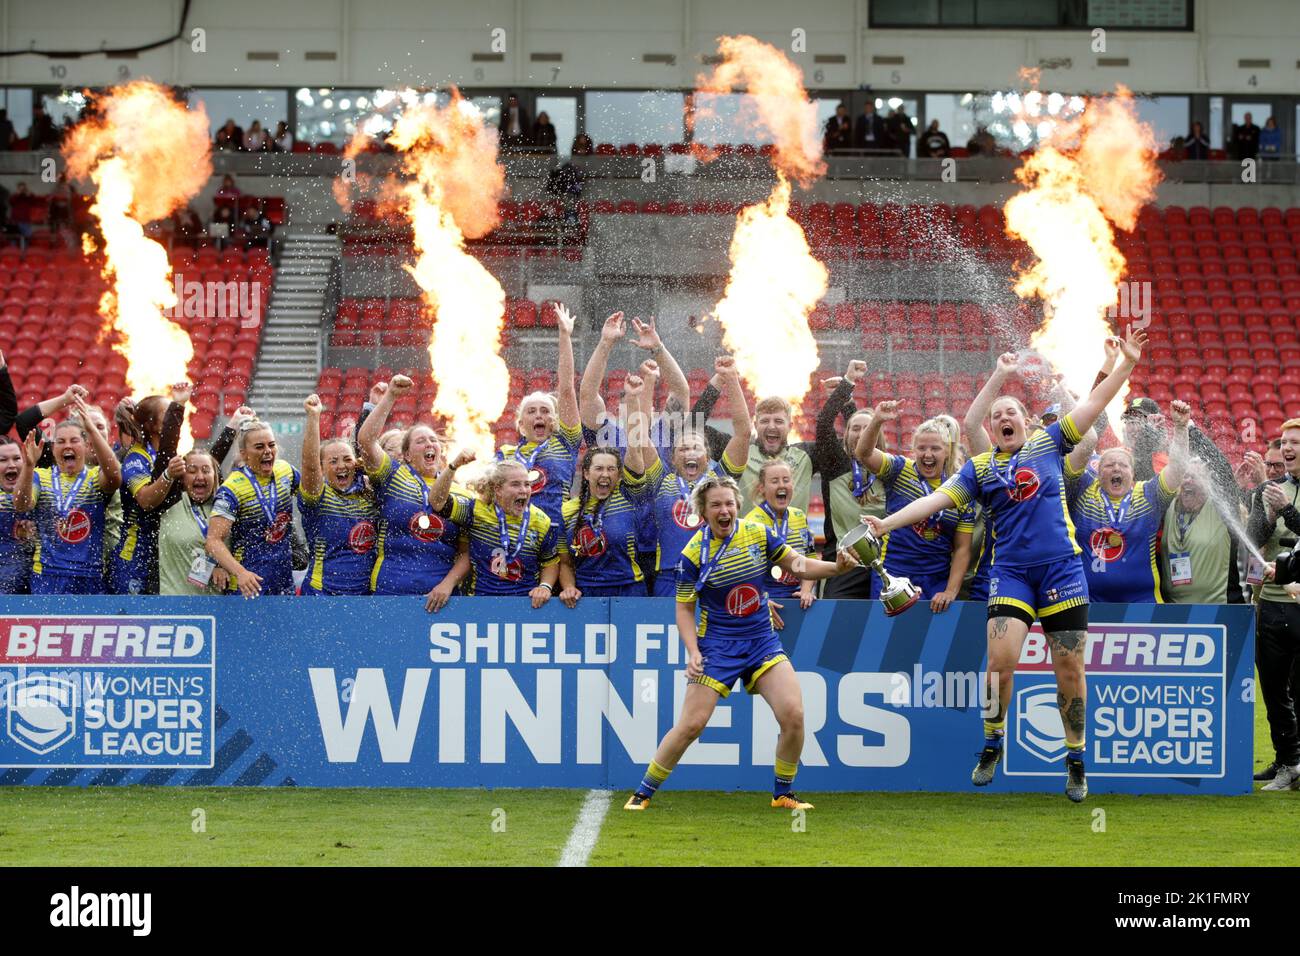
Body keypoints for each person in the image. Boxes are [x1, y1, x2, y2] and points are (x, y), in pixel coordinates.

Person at [866, 327, 1146, 802]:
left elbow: (1094, 406)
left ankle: (1075, 757)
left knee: (1070, 669)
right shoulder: (977, 469)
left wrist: (1126, 364)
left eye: (1011, 412)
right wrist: (885, 525)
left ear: (1028, 421)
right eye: (997, 417)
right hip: (1011, 573)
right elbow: (934, 501)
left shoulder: (1048, 446)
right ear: (991, 429)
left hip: (1062, 570)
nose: (1002, 418)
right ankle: (992, 741)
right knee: (999, 664)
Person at [624, 473, 860, 812]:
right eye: (716, 505)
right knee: (691, 725)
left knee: (793, 714)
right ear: (703, 512)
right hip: (718, 647)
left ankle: (783, 793)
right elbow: (684, 609)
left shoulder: (758, 534)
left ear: (738, 506)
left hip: (761, 641)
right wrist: (693, 652)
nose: (724, 510)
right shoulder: (693, 555)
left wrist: (836, 568)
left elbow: (797, 563)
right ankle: (643, 792)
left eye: (730, 504)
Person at [631, 356, 750, 597]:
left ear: (707, 456)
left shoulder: (719, 478)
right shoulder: (661, 479)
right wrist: (648, 383)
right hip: (669, 578)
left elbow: (744, 433)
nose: (690, 452)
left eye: (696, 447)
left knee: (713, 635)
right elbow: (640, 437)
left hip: (714, 574)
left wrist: (731, 379)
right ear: (673, 459)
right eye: (683, 449)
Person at [357, 375, 470, 597]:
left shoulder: (460, 492)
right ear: (407, 454)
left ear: (440, 450)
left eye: (433, 440)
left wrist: (447, 586)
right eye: (420, 441)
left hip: (440, 595)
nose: (429, 443)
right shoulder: (394, 476)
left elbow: (466, 552)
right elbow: (366, 442)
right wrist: (390, 396)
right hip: (389, 588)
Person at [690, 365, 854, 515]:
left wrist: (845, 401)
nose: (772, 426)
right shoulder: (738, 451)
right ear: (755, 425)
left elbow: (853, 445)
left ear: (790, 426)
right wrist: (718, 382)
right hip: (748, 545)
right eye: (765, 421)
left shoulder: (806, 455)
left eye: (778, 421)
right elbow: (692, 429)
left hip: (793, 546)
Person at [1068, 401, 1189, 603]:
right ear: (1097, 473)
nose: (1116, 468)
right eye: (1109, 465)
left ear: (1133, 473)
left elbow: (1177, 469)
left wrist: (1181, 428)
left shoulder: (1147, 495)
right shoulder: (1084, 493)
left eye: (1123, 465)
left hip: (1143, 602)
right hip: (1090, 601)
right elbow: (1085, 446)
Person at [856, 405, 975, 610]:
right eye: (921, 448)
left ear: (947, 451)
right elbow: (863, 453)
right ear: (914, 450)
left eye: (935, 448)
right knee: (884, 636)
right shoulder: (899, 469)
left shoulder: (961, 488)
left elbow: (962, 548)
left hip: (936, 579)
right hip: (891, 572)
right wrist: (876, 421)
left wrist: (950, 590)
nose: (927, 454)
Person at [13, 395, 123, 595]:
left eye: (74, 440)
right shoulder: (40, 475)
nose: (67, 446)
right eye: (60, 441)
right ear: (53, 448)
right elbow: (22, 505)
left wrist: (91, 428)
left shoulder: (93, 477)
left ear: (86, 445)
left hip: (90, 575)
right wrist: (29, 466)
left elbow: (115, 478)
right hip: (47, 575)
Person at [428, 453, 563, 609]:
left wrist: (545, 586)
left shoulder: (542, 521)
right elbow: (437, 502)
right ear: (498, 489)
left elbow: (550, 563)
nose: (524, 490)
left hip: (526, 606)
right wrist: (453, 466)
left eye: (527, 484)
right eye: (516, 484)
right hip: (481, 602)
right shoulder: (476, 510)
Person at [561, 373, 651, 599]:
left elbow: (635, 447)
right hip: (586, 593)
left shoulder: (628, 497)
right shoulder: (569, 510)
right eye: (599, 469)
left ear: (619, 475)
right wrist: (569, 587)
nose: (605, 474)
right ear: (586, 473)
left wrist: (632, 399)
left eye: (611, 469)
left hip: (630, 589)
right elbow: (564, 562)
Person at [1247, 418, 1300, 790]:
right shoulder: (1270, 490)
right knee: (1273, 689)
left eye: (1294, 442)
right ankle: (1286, 763)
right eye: (1283, 443)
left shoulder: (1284, 498)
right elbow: (1252, 539)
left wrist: (1288, 511)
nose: (1288, 449)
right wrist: (1268, 513)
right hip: (1272, 604)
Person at [497, 304, 581, 530]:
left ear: (554, 420)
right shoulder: (507, 455)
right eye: (531, 411)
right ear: (521, 423)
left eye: (545, 410)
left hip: (556, 533)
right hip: (517, 534)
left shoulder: (565, 444)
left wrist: (564, 335)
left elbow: (566, 389)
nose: (539, 415)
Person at [109, 387, 192, 595]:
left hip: (163, 552)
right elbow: (146, 500)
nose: (172, 418)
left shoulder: (167, 455)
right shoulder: (136, 458)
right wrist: (168, 476)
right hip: (135, 555)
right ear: (151, 424)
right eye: (167, 413)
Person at [206, 420, 300, 598]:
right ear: (244, 454)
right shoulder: (232, 488)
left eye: (271, 445)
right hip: (247, 586)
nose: (267, 451)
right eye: (259, 447)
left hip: (283, 584)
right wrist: (240, 572)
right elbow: (213, 542)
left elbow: (312, 494)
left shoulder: (285, 470)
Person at [298, 394, 379, 596]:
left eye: (346, 459)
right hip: (322, 594)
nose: (341, 465)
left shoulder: (369, 493)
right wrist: (314, 417)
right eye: (333, 461)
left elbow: (367, 446)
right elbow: (309, 467)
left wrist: (371, 407)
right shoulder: (317, 496)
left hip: (365, 596)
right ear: (322, 468)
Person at [817, 370, 887, 600]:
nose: (860, 433)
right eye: (854, 429)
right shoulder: (835, 466)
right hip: (845, 563)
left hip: (885, 561)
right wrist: (846, 385)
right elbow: (824, 424)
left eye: (867, 429)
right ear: (845, 435)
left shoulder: (890, 470)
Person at [1160, 461, 1244, 605]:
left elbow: (1222, 467)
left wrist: (1192, 437)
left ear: (1208, 483)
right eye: (1185, 476)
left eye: (1195, 476)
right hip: (1173, 610)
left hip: (1218, 609)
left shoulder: (1222, 508)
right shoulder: (1167, 505)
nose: (1188, 480)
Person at [743, 459, 816, 609]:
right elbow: (745, 573)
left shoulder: (799, 516)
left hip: (798, 601)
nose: (782, 485)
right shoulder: (752, 522)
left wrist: (806, 590)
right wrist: (761, 601)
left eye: (786, 480)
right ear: (762, 488)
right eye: (775, 481)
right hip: (765, 602)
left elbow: (810, 559)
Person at [157, 450, 228, 595]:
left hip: (218, 607)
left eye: (206, 470)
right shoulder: (169, 502)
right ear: (182, 478)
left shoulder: (226, 507)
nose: (200, 476)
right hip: (174, 604)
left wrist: (222, 565)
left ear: (215, 476)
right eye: (192, 471)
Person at [0, 436, 35, 594]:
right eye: (3, 460)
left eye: (17, 458)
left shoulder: (40, 492)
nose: (11, 465)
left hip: (35, 584)